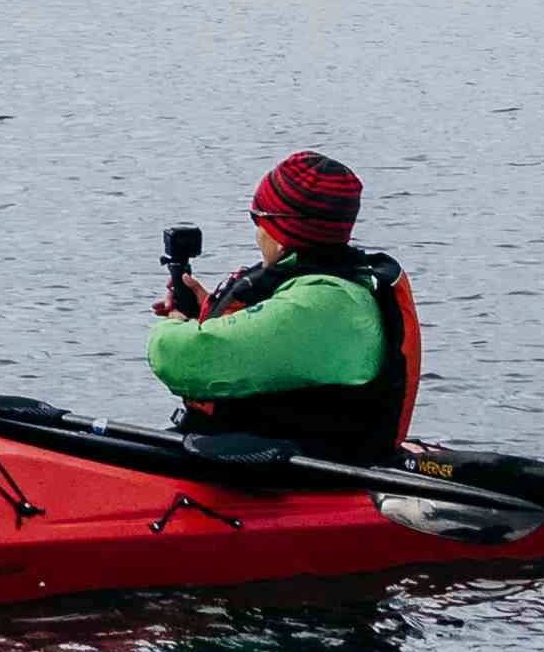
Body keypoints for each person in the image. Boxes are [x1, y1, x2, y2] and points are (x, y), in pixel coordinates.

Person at [148, 150, 420, 459]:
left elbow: (182, 358)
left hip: (301, 480)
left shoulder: (324, 303)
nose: (256, 233)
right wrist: (207, 313)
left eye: (257, 218)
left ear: (281, 231)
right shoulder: (336, 285)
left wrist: (173, 324)